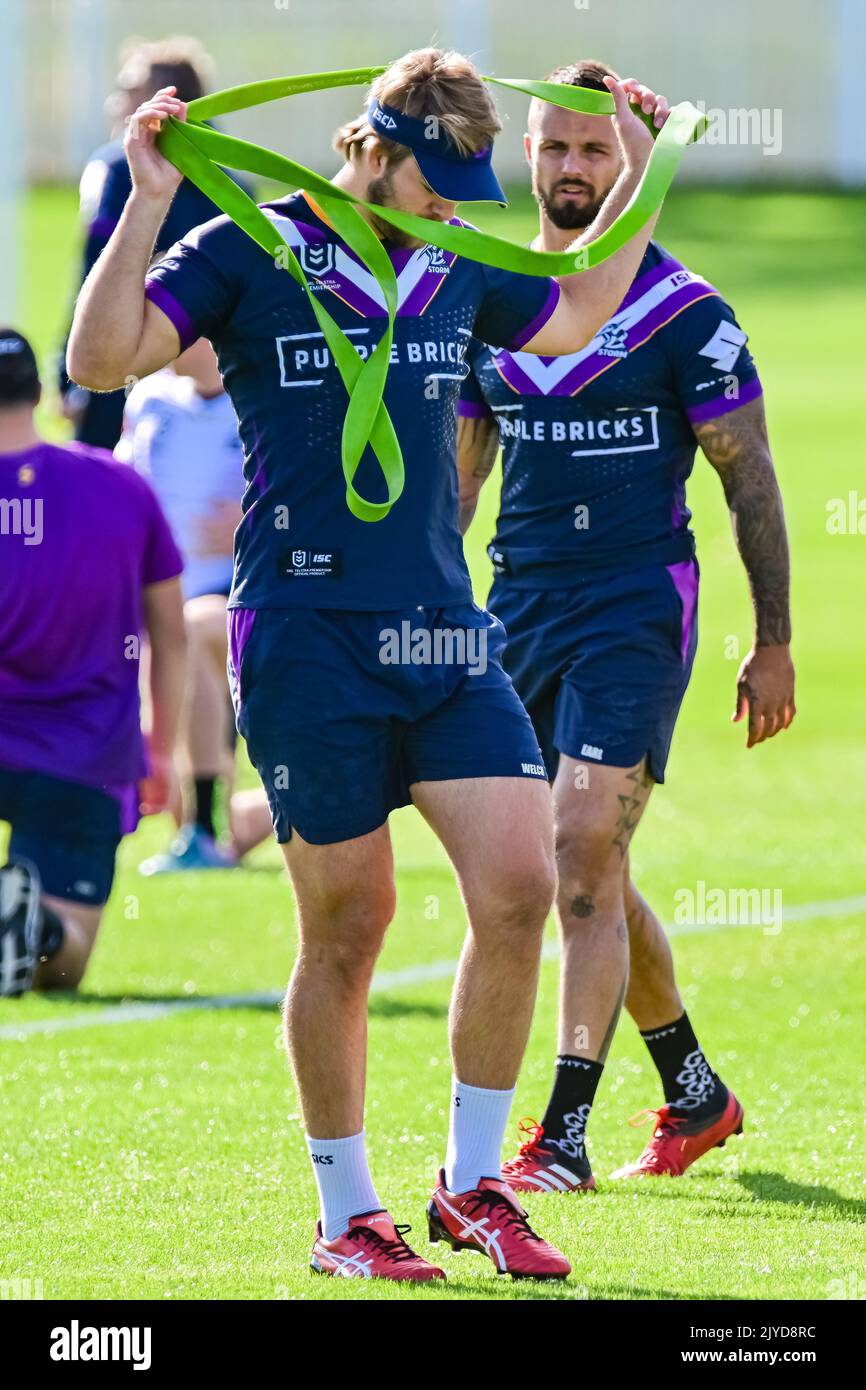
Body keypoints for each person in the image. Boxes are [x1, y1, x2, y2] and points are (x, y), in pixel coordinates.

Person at [68, 47, 672, 1282]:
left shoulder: (453, 256)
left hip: (445, 637)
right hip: (304, 638)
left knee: (517, 887)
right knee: (349, 927)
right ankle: (348, 1213)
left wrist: (641, 166)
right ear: (373, 150)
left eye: (465, 185)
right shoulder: (247, 241)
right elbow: (99, 357)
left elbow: (577, 304)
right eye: (435, 179)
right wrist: (143, 194)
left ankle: (471, 1184)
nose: (451, 205)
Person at [456, 59, 795, 1191]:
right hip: (515, 612)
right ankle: (692, 1088)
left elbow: (747, 477)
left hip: (634, 606)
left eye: (594, 151)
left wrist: (772, 634)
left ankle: (557, 1136)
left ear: (634, 163)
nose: (568, 170)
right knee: (572, 869)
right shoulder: (496, 303)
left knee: (579, 853)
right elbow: (460, 476)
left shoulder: (685, 314)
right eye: (552, 148)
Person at [0, 329, 186, 996]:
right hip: (85, 755)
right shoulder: (119, 486)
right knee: (64, 967)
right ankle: (38, 930)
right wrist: (163, 755)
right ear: (44, 394)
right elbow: (171, 635)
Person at [59, 36, 251, 450]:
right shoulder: (239, 177)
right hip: (221, 382)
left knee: (112, 487)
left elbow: (95, 273)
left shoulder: (116, 167)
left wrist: (66, 375)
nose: (116, 103)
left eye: (129, 90)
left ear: (165, 99)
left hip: (127, 351)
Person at [115, 335, 249, 872]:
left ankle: (200, 831)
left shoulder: (255, 395)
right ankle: (214, 828)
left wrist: (255, 521)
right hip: (152, 596)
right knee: (162, 784)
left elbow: (318, 488)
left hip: (234, 591)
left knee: (193, 632)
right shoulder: (146, 398)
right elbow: (126, 486)